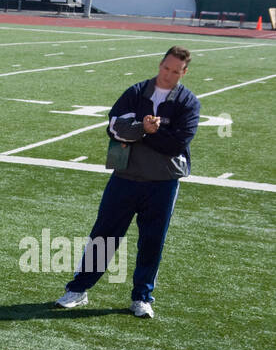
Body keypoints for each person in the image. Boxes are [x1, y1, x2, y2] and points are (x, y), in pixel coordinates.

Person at [55, 46, 199, 319]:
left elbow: (177, 143)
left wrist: (145, 134)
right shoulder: (136, 92)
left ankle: (142, 297)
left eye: (176, 71)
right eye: (166, 68)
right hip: (124, 178)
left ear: (184, 72)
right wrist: (145, 130)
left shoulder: (188, 102)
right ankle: (78, 289)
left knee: (151, 242)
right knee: (103, 236)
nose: (169, 75)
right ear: (160, 64)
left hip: (162, 183)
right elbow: (113, 127)